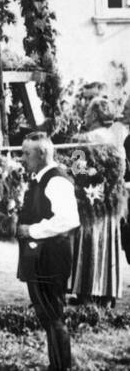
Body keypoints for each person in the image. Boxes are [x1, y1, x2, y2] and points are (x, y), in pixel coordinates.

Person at [17, 131, 81, 371]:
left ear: (42, 154)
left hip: (51, 258)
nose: (22, 159)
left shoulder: (56, 181)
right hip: (40, 258)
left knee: (53, 315)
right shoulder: (40, 180)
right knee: (47, 315)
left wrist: (31, 230)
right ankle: (56, 369)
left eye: (26, 153)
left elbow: (68, 220)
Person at [69, 98, 126, 304]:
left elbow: (77, 170)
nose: (84, 115)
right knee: (109, 241)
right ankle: (107, 294)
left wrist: (88, 174)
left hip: (89, 201)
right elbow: (121, 170)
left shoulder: (83, 138)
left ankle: (86, 292)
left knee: (89, 242)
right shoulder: (116, 139)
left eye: (87, 111)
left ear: (94, 116)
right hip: (111, 201)